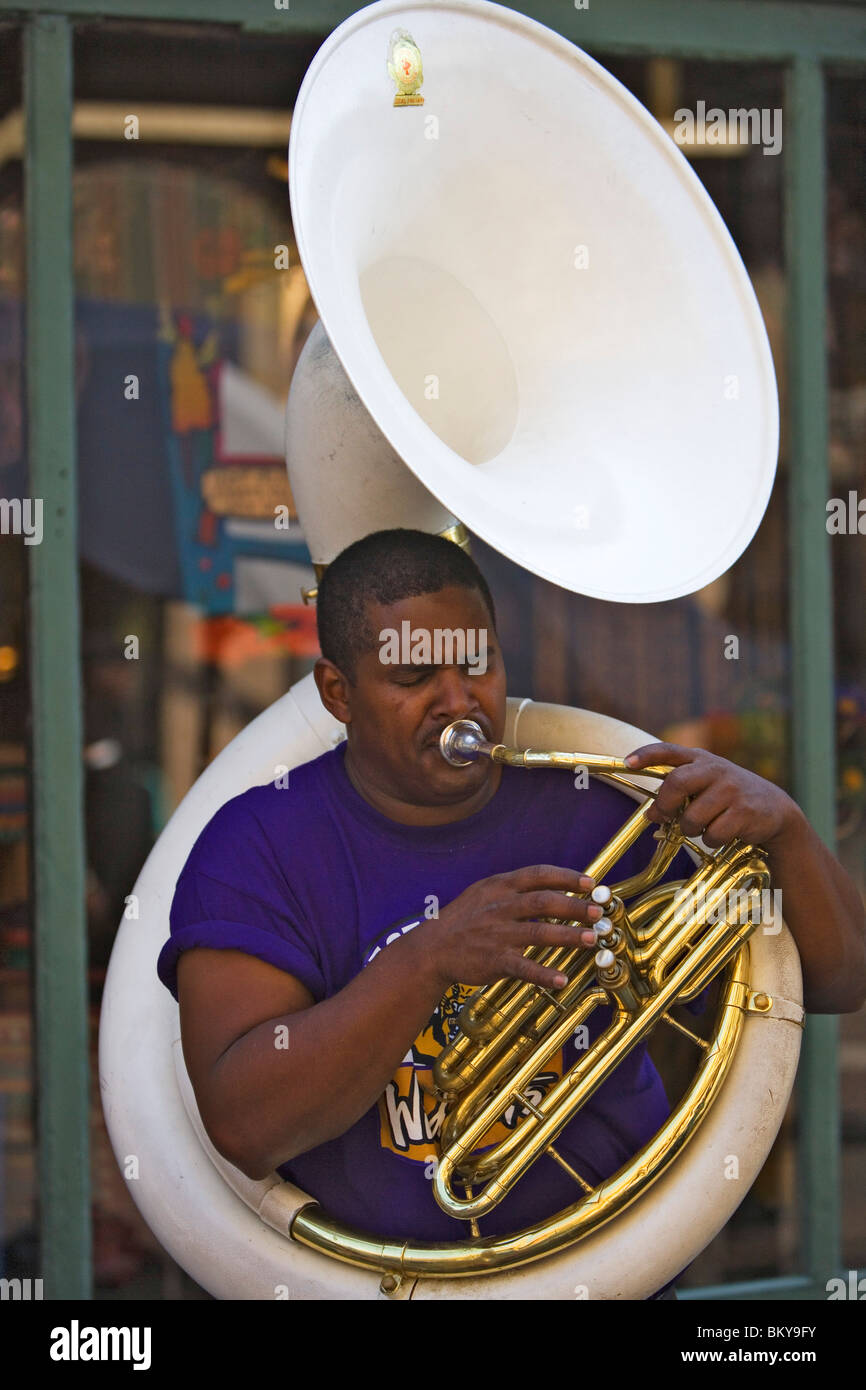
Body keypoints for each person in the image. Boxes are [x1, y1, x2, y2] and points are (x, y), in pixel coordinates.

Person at [157, 528, 866, 1298]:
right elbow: (243, 1125)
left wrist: (787, 832)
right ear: (337, 693)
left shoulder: (599, 811)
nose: (459, 701)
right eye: (415, 675)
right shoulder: (258, 843)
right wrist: (428, 960)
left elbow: (835, 981)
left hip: (621, 1275)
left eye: (477, 664)